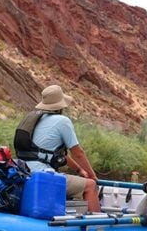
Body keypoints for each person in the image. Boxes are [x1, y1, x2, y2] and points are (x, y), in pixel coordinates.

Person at [14, 84, 101, 212]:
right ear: (61, 106)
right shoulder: (62, 121)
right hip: (43, 175)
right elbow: (78, 154)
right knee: (90, 186)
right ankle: (98, 228)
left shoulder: (34, 119)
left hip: (22, 171)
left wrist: (79, 170)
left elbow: (55, 154)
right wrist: (93, 176)